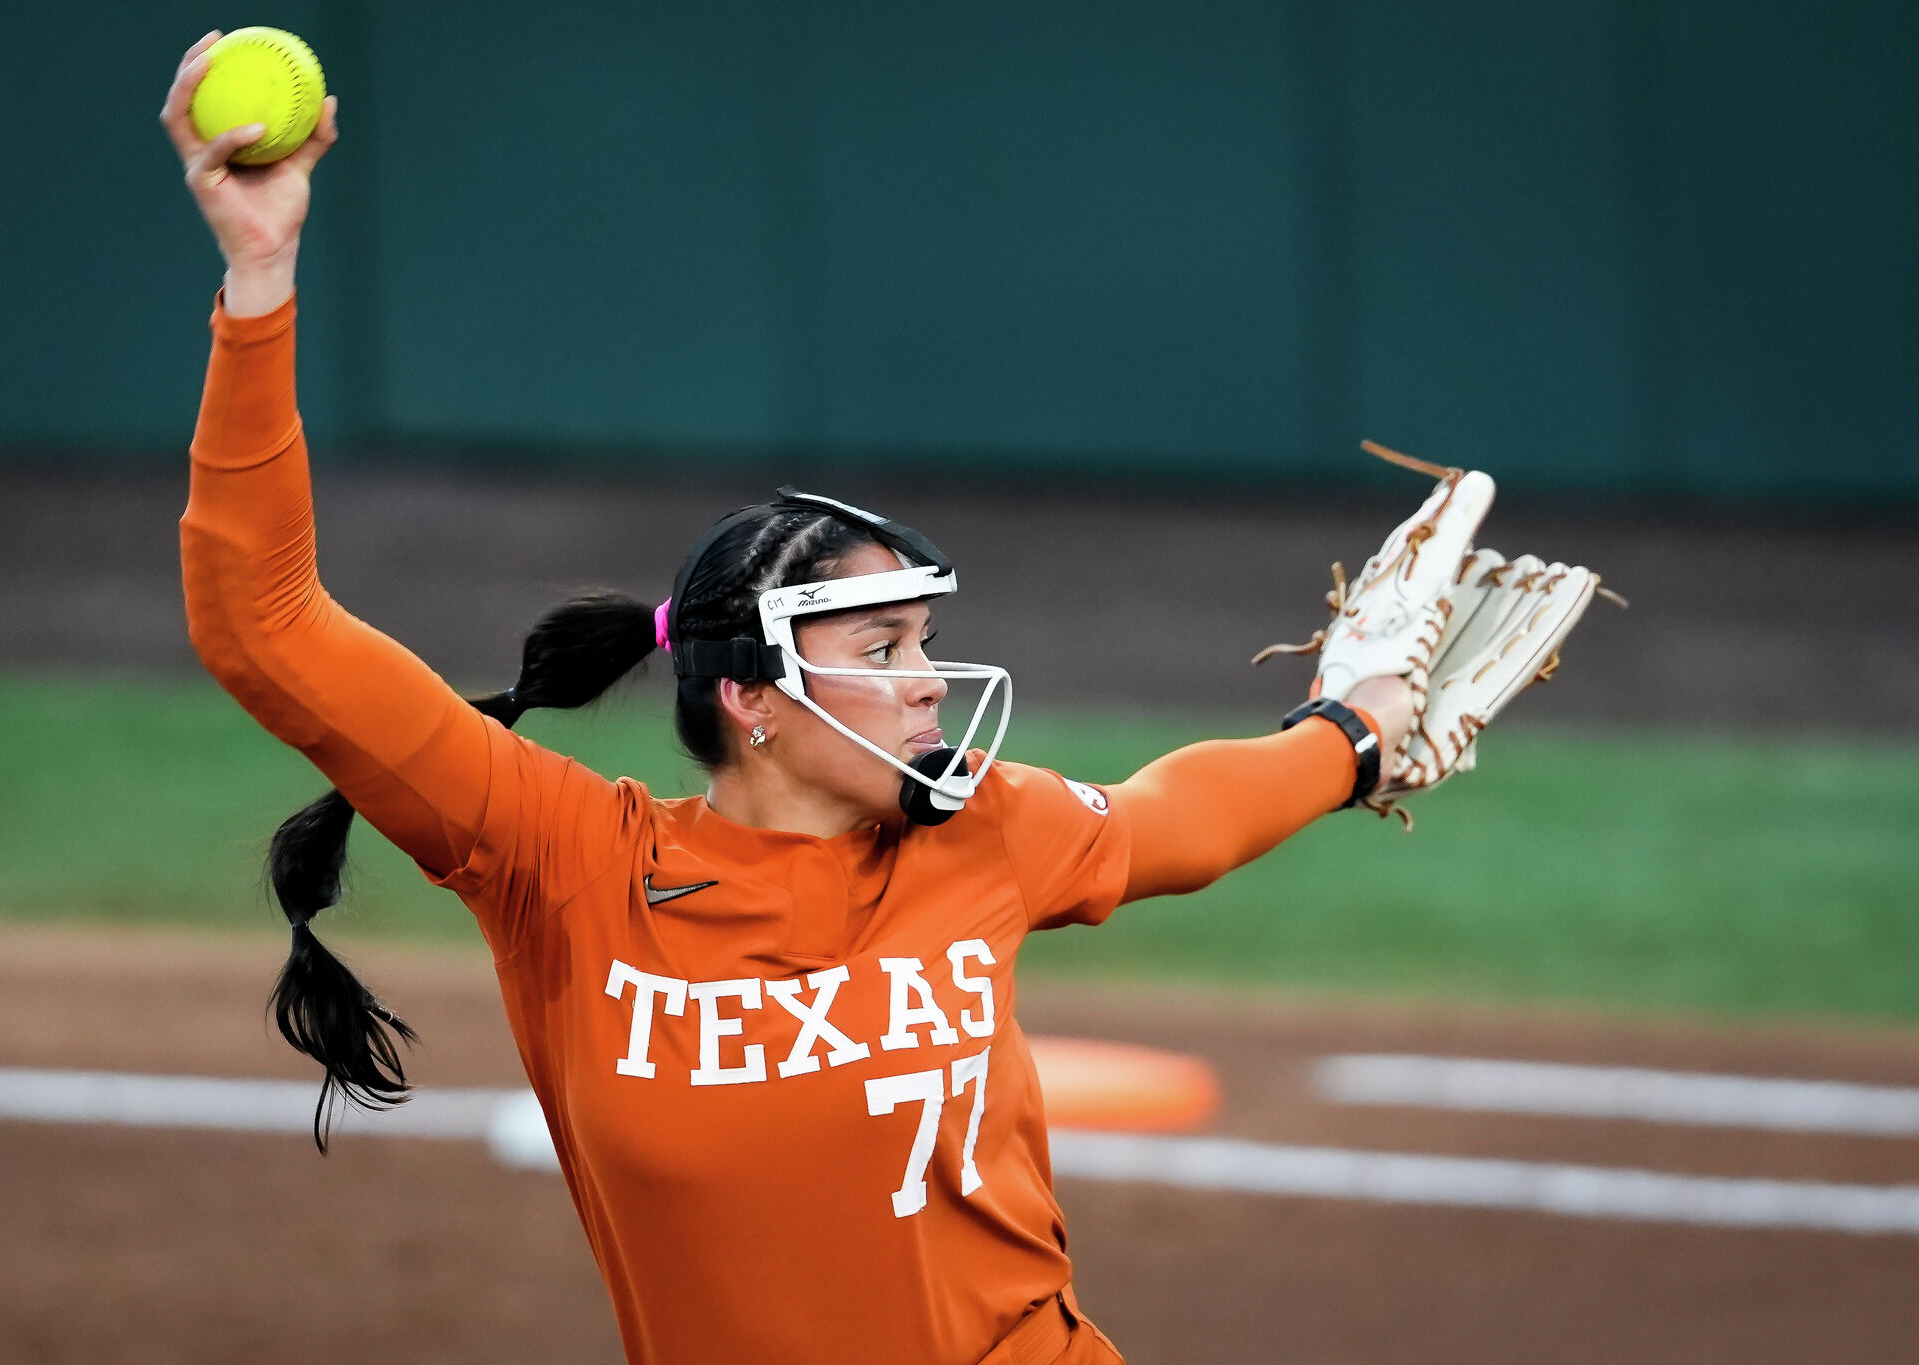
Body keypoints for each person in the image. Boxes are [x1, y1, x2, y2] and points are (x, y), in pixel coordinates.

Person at [161, 32, 1413, 1365]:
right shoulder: (568, 864)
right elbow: (265, 627)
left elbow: (1173, 818)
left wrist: (1350, 732)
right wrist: (260, 278)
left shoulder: (982, 828)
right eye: (882, 646)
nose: (926, 677)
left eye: (926, 639)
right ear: (753, 696)